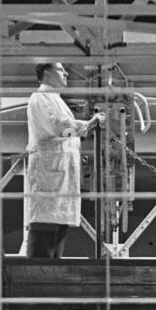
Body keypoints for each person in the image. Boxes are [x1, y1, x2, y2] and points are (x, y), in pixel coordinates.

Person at [22, 61, 104, 258]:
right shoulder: (41, 98)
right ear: (47, 72)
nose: (66, 73)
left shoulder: (55, 99)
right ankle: (35, 281)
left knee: (56, 236)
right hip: (49, 179)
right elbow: (60, 128)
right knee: (44, 237)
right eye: (60, 69)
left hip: (60, 180)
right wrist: (89, 124)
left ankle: (49, 281)